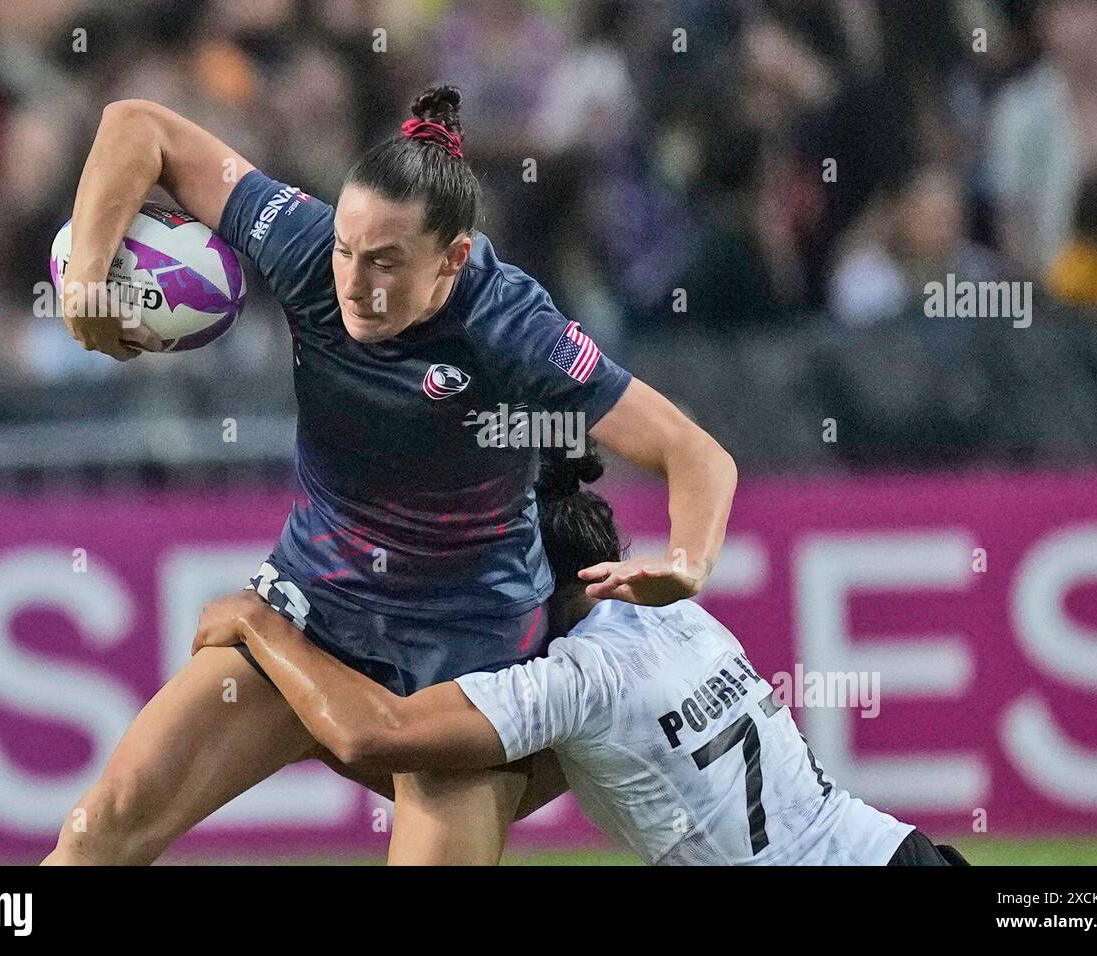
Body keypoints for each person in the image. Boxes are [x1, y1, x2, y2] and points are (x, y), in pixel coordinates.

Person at [43, 86, 738, 865]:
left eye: (384, 262)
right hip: (311, 609)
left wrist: (688, 562)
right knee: (97, 832)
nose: (353, 283)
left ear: (454, 259)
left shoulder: (514, 329)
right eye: (346, 249)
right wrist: (85, 279)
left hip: (470, 661)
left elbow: (694, 452)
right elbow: (136, 125)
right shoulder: (306, 248)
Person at [194, 444, 968, 866]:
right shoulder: (678, 623)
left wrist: (263, 627)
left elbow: (379, 732)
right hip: (894, 851)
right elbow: (501, 790)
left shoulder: (575, 680)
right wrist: (321, 740)